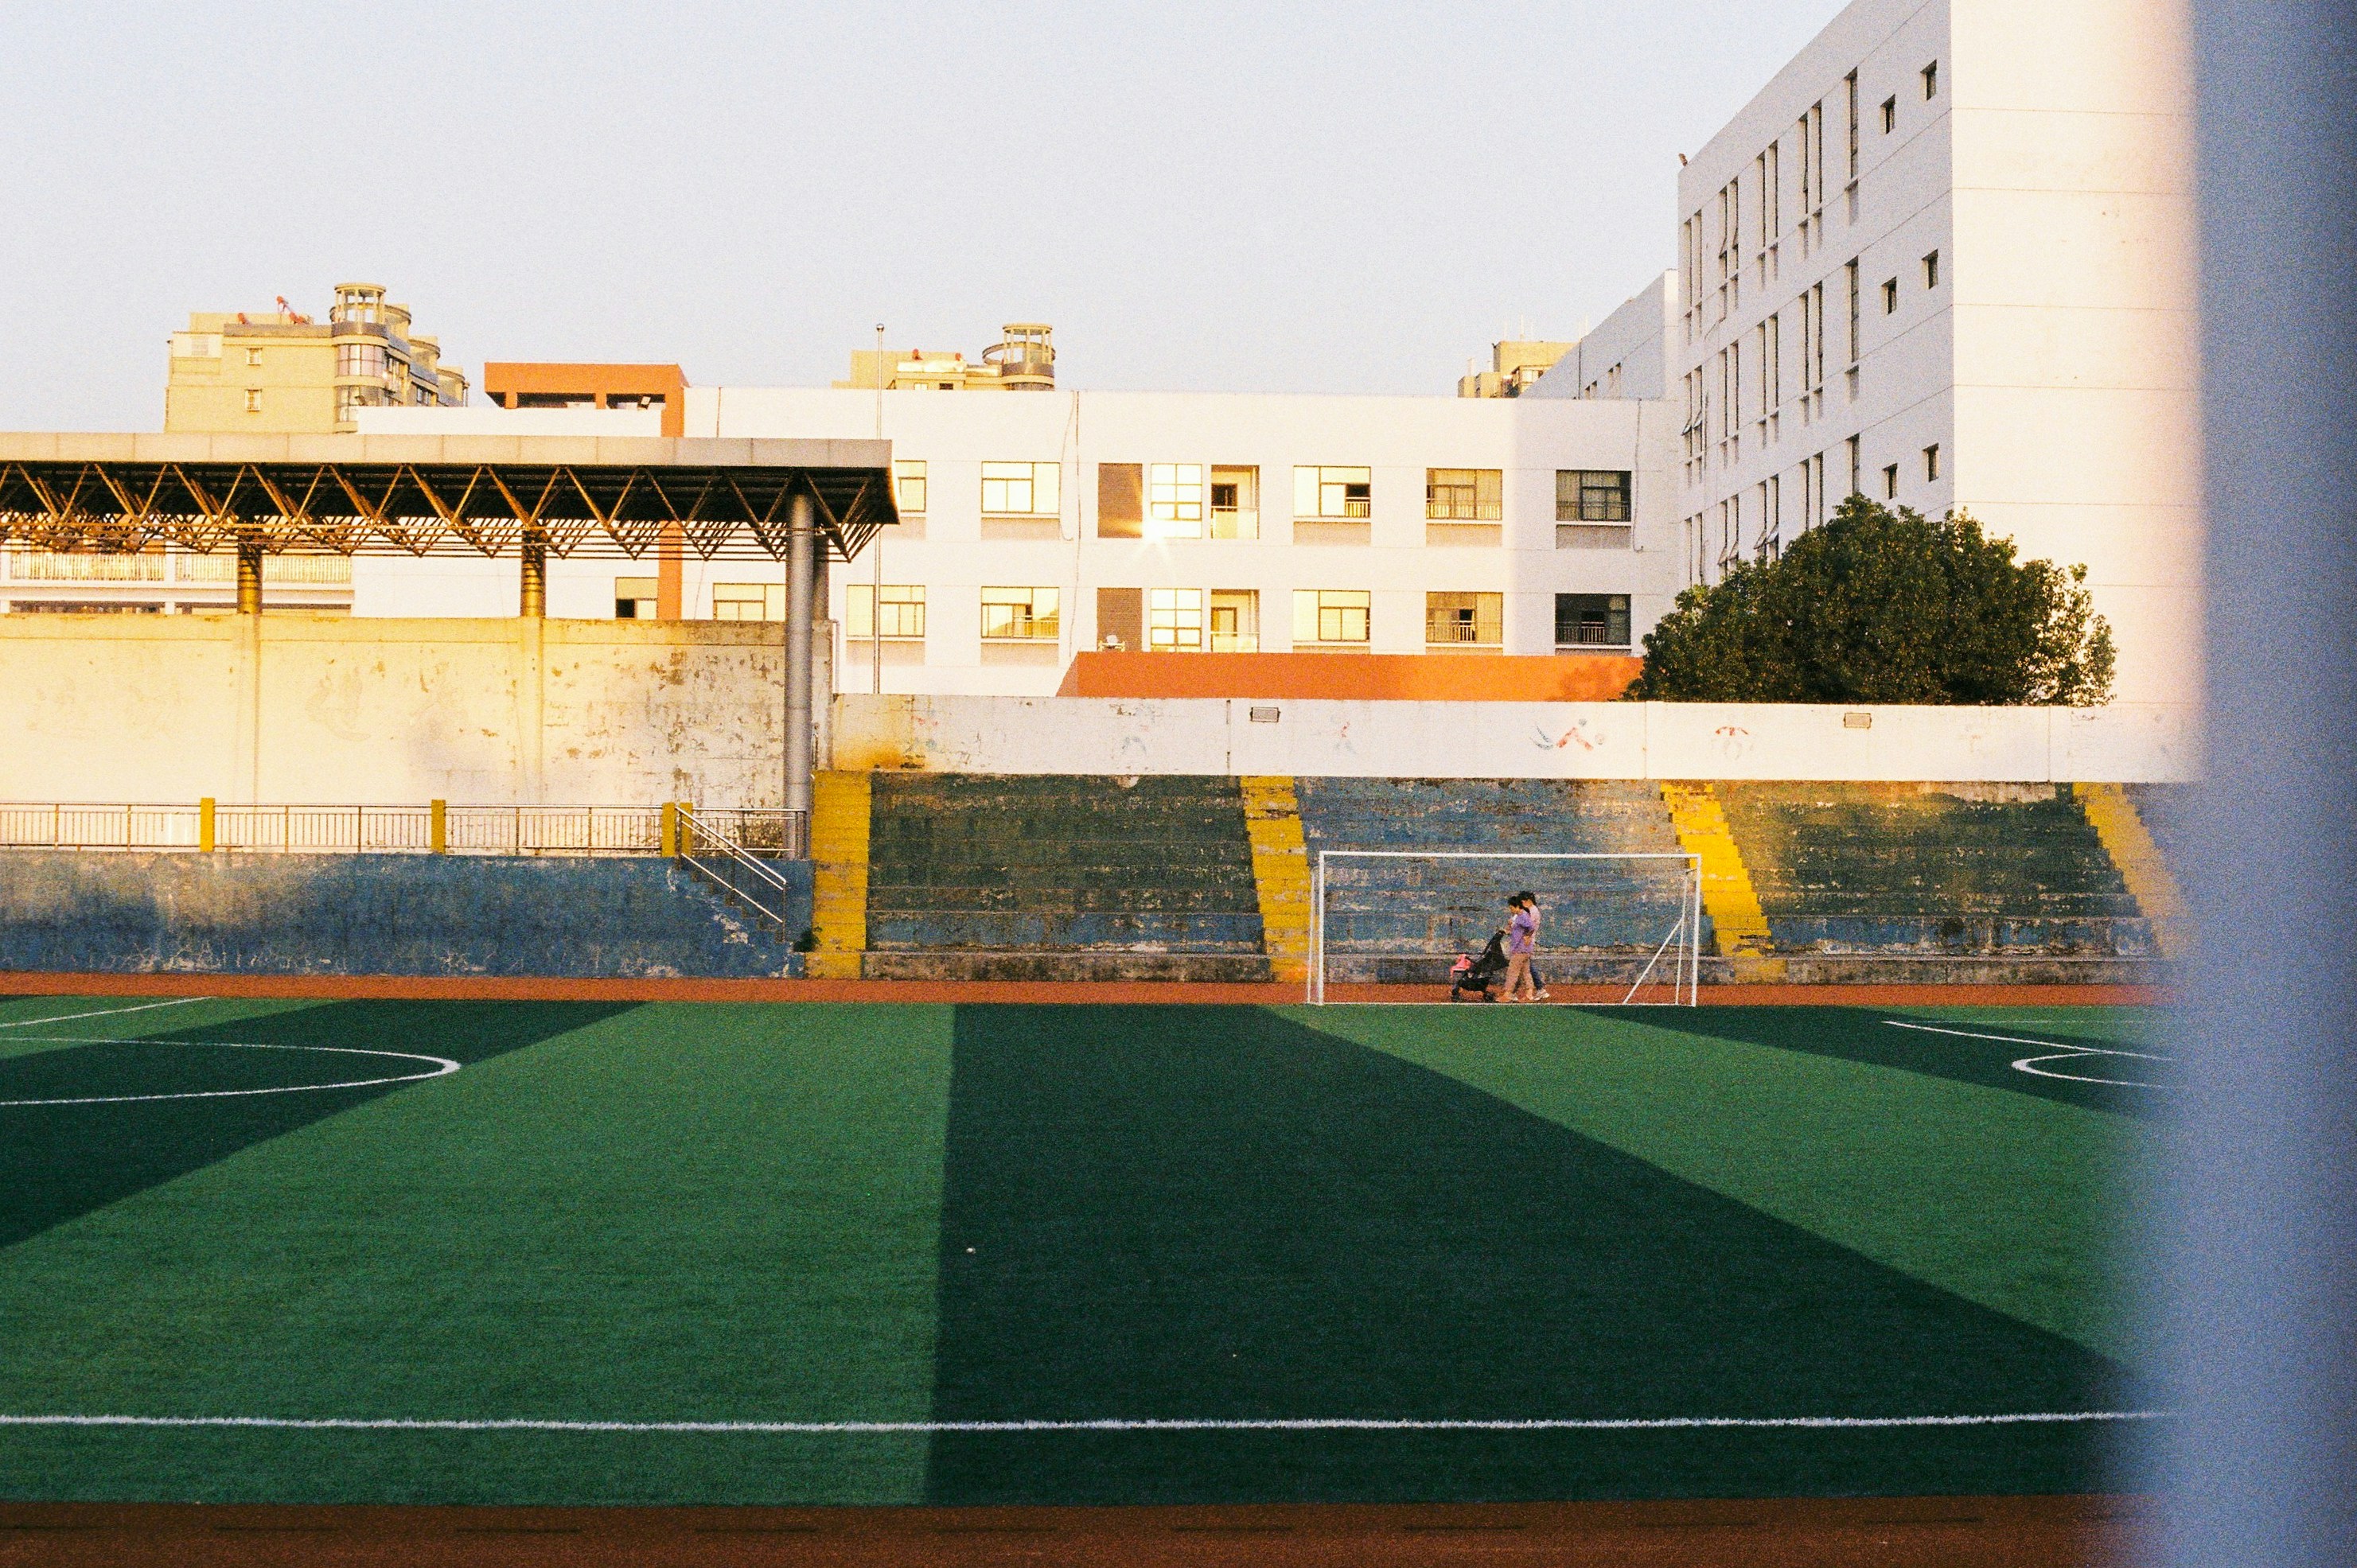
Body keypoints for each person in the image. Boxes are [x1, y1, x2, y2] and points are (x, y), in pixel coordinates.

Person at [1501, 892, 1539, 1002]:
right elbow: (1519, 930)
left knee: (1512, 971)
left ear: (1518, 906)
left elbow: (1531, 927)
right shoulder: (1520, 917)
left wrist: (1528, 936)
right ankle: (1529, 994)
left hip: (1520, 949)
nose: (1511, 910)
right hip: (1524, 950)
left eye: (1512, 907)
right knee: (1526, 972)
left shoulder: (1523, 916)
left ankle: (1508, 994)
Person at [1518, 892, 1553, 1001]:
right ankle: (1539, 989)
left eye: (1522, 902)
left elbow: (1530, 927)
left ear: (1528, 900)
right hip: (1525, 941)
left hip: (1526, 942)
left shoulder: (1533, 911)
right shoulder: (1532, 911)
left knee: (1524, 966)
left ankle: (1539, 989)